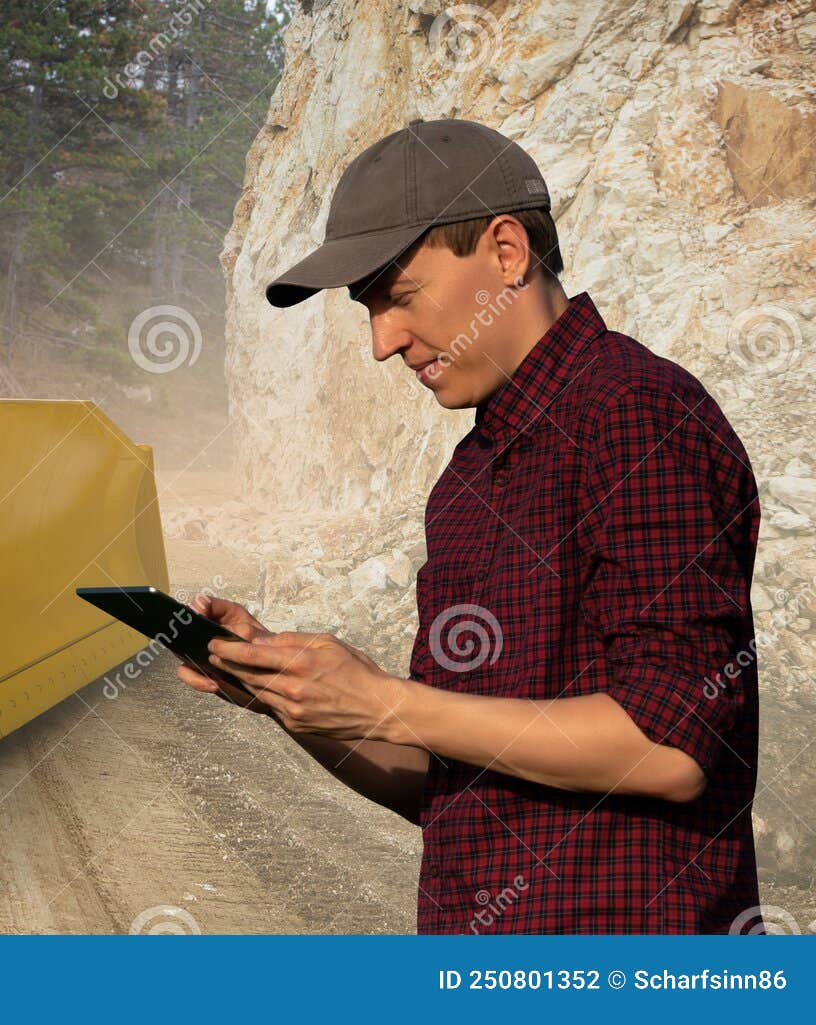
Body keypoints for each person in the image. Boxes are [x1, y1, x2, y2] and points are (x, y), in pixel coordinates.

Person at [180, 118, 760, 934]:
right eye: (368, 309)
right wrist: (294, 697)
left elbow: (670, 746)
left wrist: (385, 700)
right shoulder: (467, 478)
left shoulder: (634, 412)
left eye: (399, 296)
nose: (382, 341)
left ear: (506, 252)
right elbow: (445, 780)